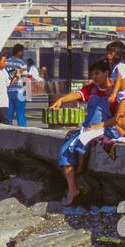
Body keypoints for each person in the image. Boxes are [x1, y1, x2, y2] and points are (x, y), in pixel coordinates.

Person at [50, 59, 112, 205]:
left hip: (104, 128)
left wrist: (100, 126)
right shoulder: (93, 88)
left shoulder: (114, 92)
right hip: (87, 128)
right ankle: (73, 189)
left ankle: (80, 169)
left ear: (106, 73)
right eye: (92, 74)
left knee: (81, 146)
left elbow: (119, 117)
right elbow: (78, 94)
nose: (94, 77)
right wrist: (62, 100)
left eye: (97, 73)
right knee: (64, 152)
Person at [106, 40, 125, 136]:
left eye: (110, 53)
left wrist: (114, 93)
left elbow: (118, 80)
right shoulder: (116, 67)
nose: (108, 56)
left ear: (116, 54)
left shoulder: (121, 66)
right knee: (122, 120)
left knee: (117, 120)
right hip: (121, 95)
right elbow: (115, 82)